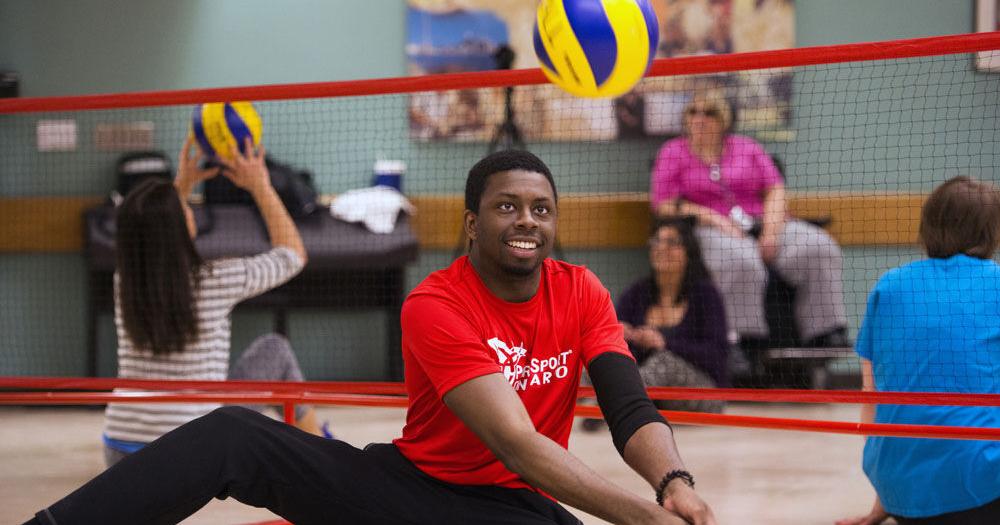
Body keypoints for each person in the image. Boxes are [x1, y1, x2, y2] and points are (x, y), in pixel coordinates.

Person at [25, 150, 716, 525]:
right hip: (407, 489)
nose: (527, 220)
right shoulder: (435, 303)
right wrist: (638, 516)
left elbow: (628, 406)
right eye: (507, 205)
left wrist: (672, 483)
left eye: (541, 208)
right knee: (232, 433)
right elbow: (515, 440)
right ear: (472, 223)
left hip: (513, 505)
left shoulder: (583, 291)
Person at [102, 136, 324, 466]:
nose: (190, 208)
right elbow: (293, 254)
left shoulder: (125, 281)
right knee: (274, 350)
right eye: (186, 208)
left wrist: (182, 183)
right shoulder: (217, 279)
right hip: (192, 451)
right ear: (183, 224)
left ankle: (318, 444)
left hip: (119, 448)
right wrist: (260, 185)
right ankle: (321, 452)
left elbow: (155, 229)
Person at [836, 176, 1000, 525]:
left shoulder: (889, 284)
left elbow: (873, 396)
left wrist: (884, 498)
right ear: (989, 232)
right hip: (982, 488)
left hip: (899, 491)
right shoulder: (996, 281)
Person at [651, 89, 848, 348]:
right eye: (693, 112)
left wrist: (771, 232)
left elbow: (775, 190)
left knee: (819, 247)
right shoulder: (673, 152)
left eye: (709, 113)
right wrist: (714, 218)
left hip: (762, 221)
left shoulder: (748, 148)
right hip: (709, 228)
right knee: (742, 261)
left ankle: (826, 331)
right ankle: (744, 341)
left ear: (725, 119)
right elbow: (663, 204)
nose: (699, 119)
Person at [615, 216, 729, 413]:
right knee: (597, 357)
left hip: (703, 393)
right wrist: (620, 336)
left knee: (665, 361)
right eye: (657, 241)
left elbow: (716, 356)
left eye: (672, 242)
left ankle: (612, 405)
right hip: (650, 394)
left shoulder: (706, 295)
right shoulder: (635, 293)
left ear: (688, 251)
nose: (662, 247)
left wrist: (664, 343)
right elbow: (620, 352)